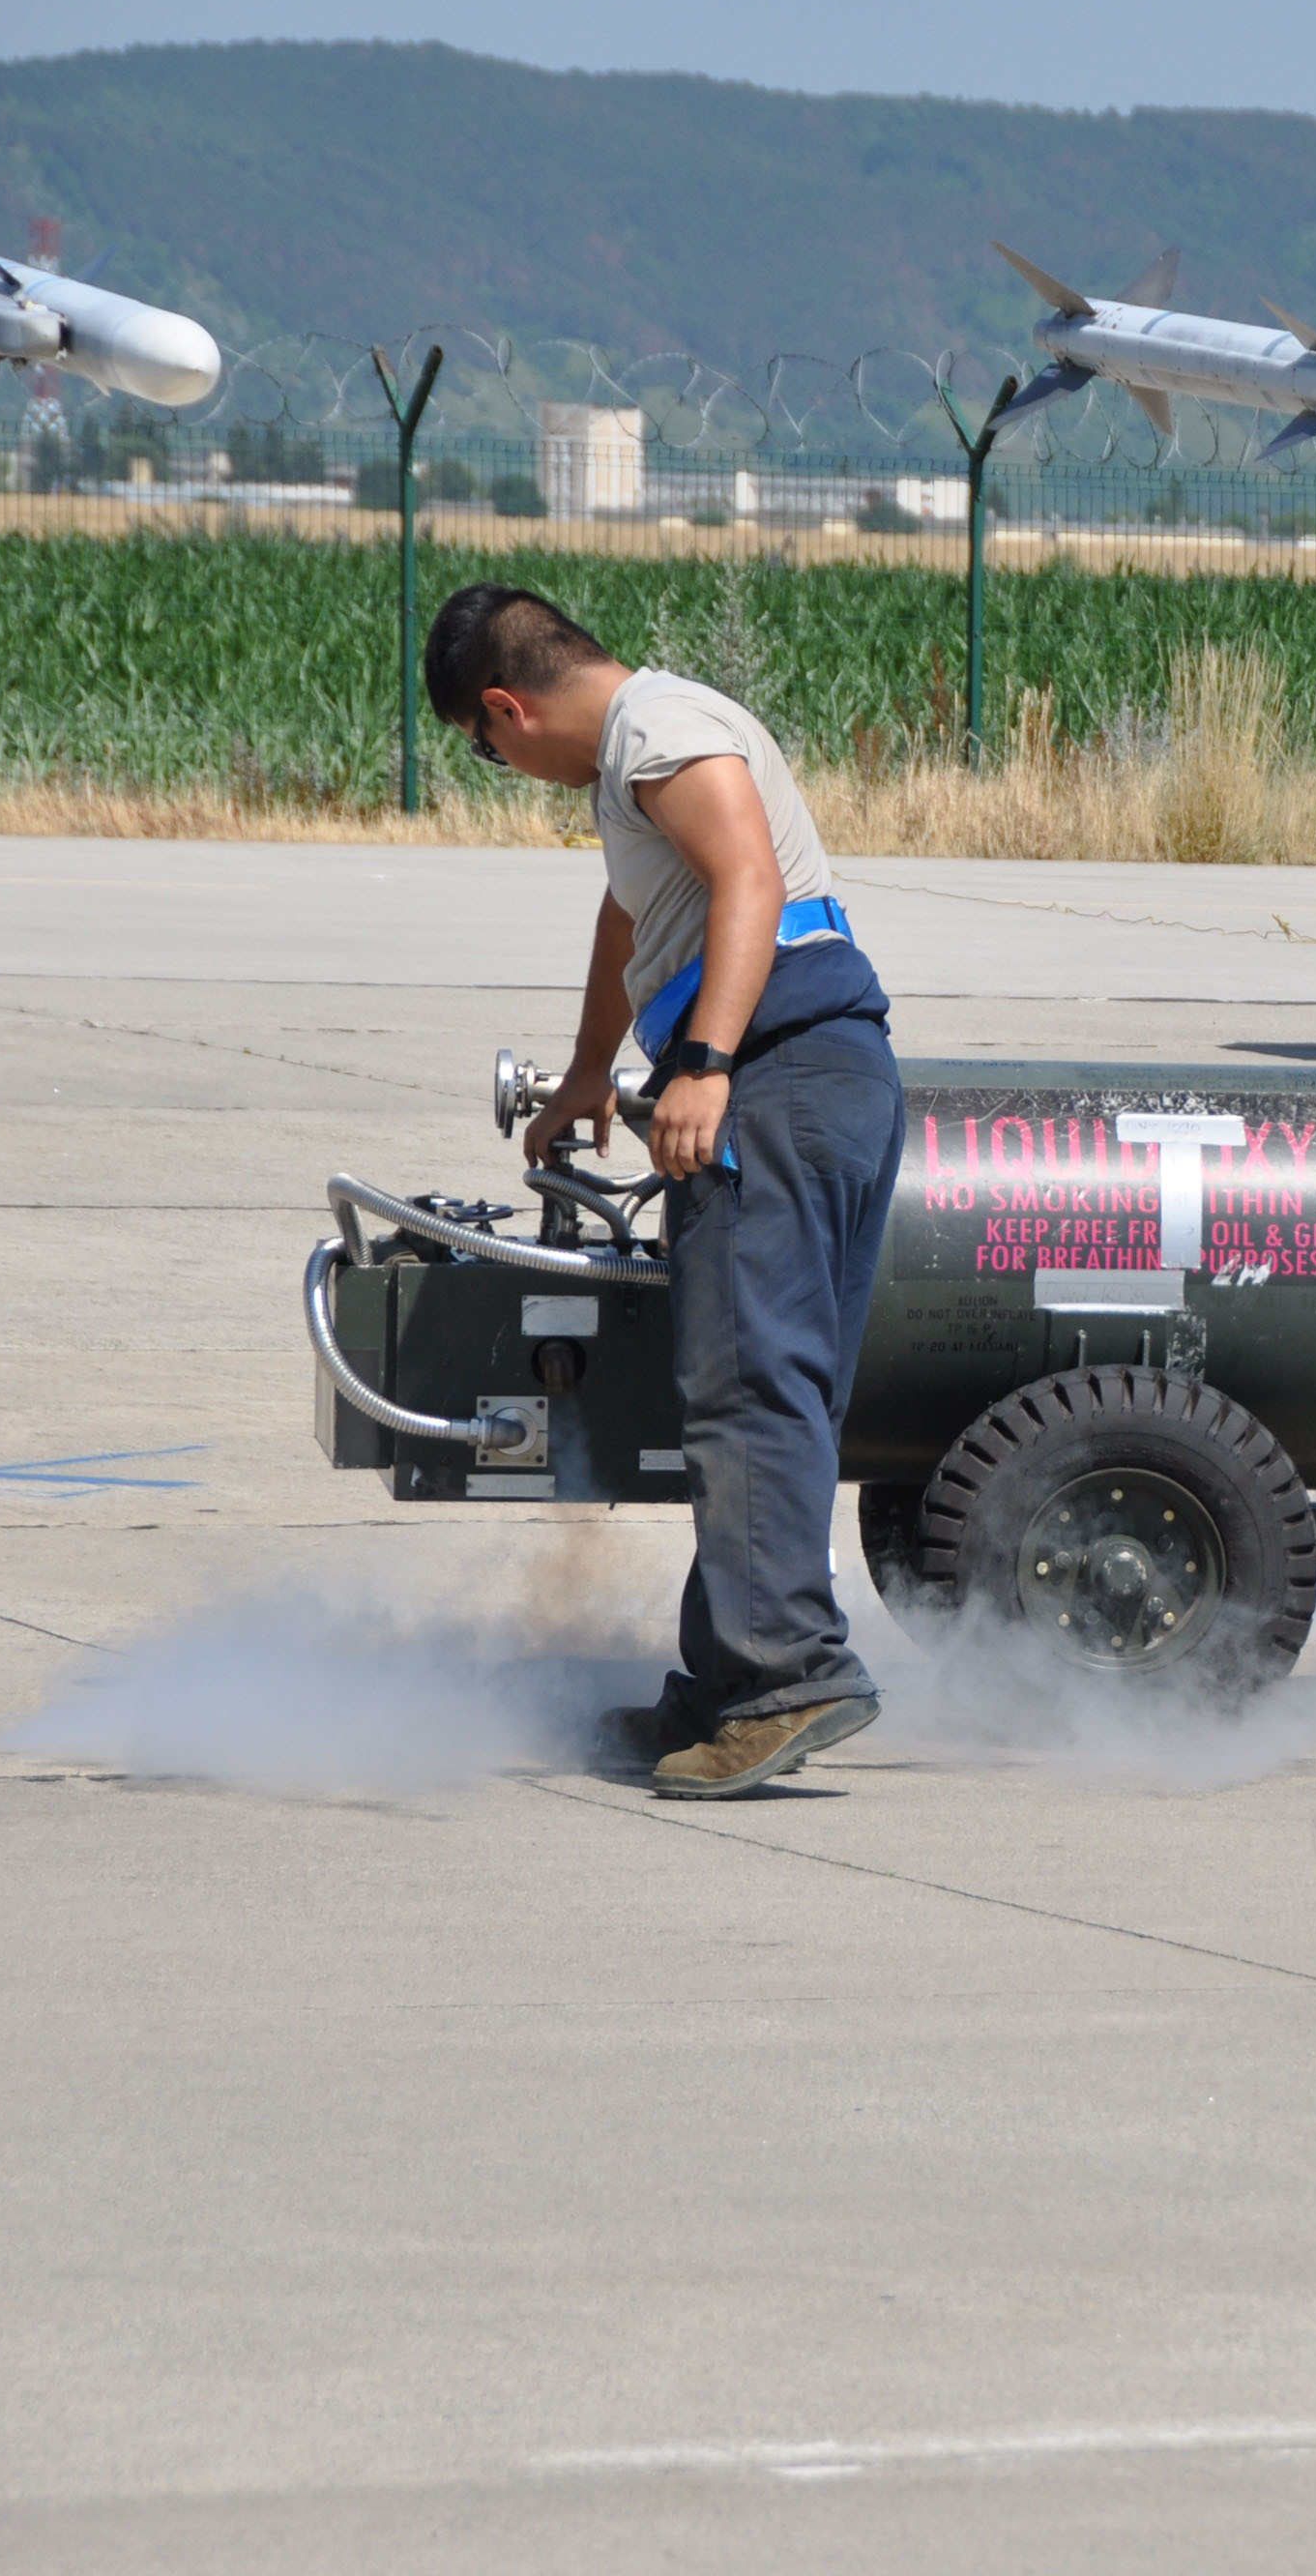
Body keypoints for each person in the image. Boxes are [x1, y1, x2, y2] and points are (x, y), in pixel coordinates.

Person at [424, 585, 904, 1800]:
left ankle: (789, 1675)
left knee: (747, 1389)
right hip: (815, 1073)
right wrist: (592, 1068)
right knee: (768, 1391)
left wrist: (704, 1064)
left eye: (484, 750)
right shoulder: (634, 762)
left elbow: (749, 883)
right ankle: (727, 1683)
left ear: (505, 708)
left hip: (778, 1072)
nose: (502, 768)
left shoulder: (661, 731)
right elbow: (628, 920)